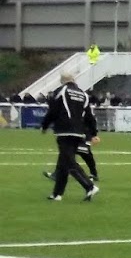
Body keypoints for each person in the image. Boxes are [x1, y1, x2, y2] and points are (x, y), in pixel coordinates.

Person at [41, 72, 100, 201]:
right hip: (79, 131)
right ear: (74, 80)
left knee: (69, 161)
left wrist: (45, 125)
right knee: (64, 162)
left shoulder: (61, 91)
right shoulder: (83, 94)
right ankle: (57, 194)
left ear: (62, 81)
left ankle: (89, 186)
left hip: (65, 130)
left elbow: (53, 110)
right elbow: (89, 115)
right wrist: (94, 133)